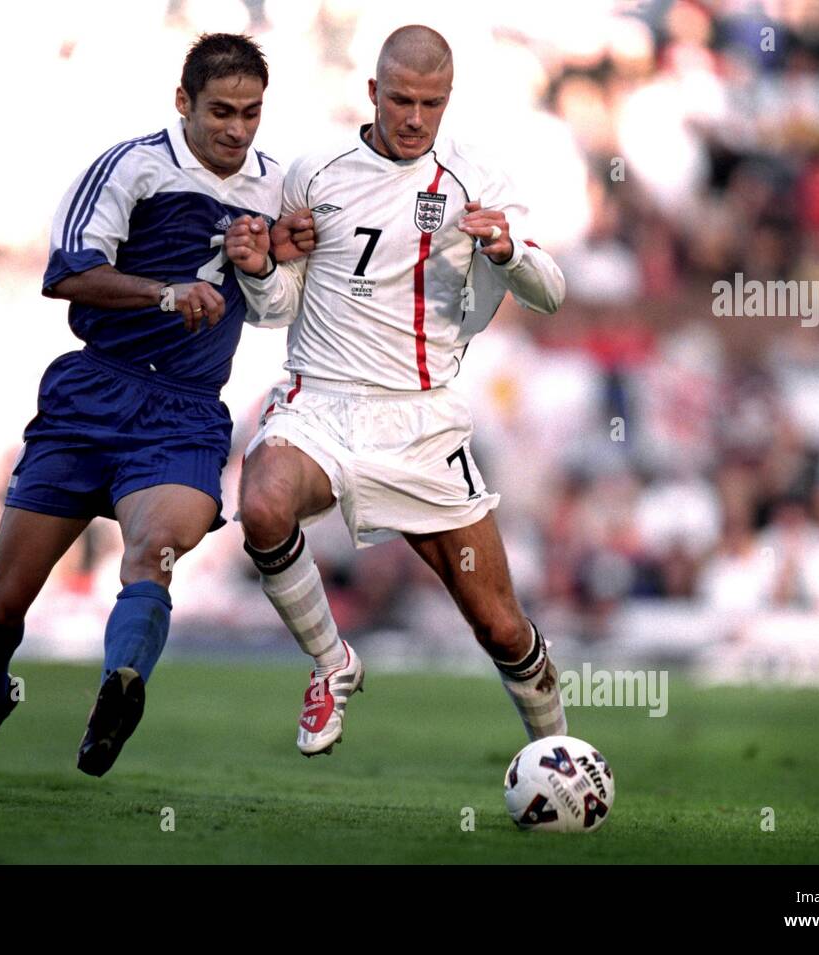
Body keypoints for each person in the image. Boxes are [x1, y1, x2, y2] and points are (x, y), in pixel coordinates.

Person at [0, 32, 314, 799]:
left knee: (155, 551)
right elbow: (67, 273)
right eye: (220, 111)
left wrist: (273, 258)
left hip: (183, 414)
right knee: (6, 600)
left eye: (251, 113)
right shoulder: (131, 166)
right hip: (93, 393)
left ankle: (121, 684)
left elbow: (279, 305)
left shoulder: (279, 187)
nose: (237, 130)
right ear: (183, 102)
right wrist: (163, 291)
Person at [224, 24, 568, 757]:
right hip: (320, 403)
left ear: (449, 102)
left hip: (421, 425)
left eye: (432, 103)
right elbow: (275, 308)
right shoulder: (315, 173)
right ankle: (332, 661)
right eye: (403, 100)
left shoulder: (475, 180)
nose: (415, 119)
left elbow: (552, 293)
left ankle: (558, 754)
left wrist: (506, 251)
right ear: (373, 93)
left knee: (500, 625)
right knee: (261, 503)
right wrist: (260, 270)